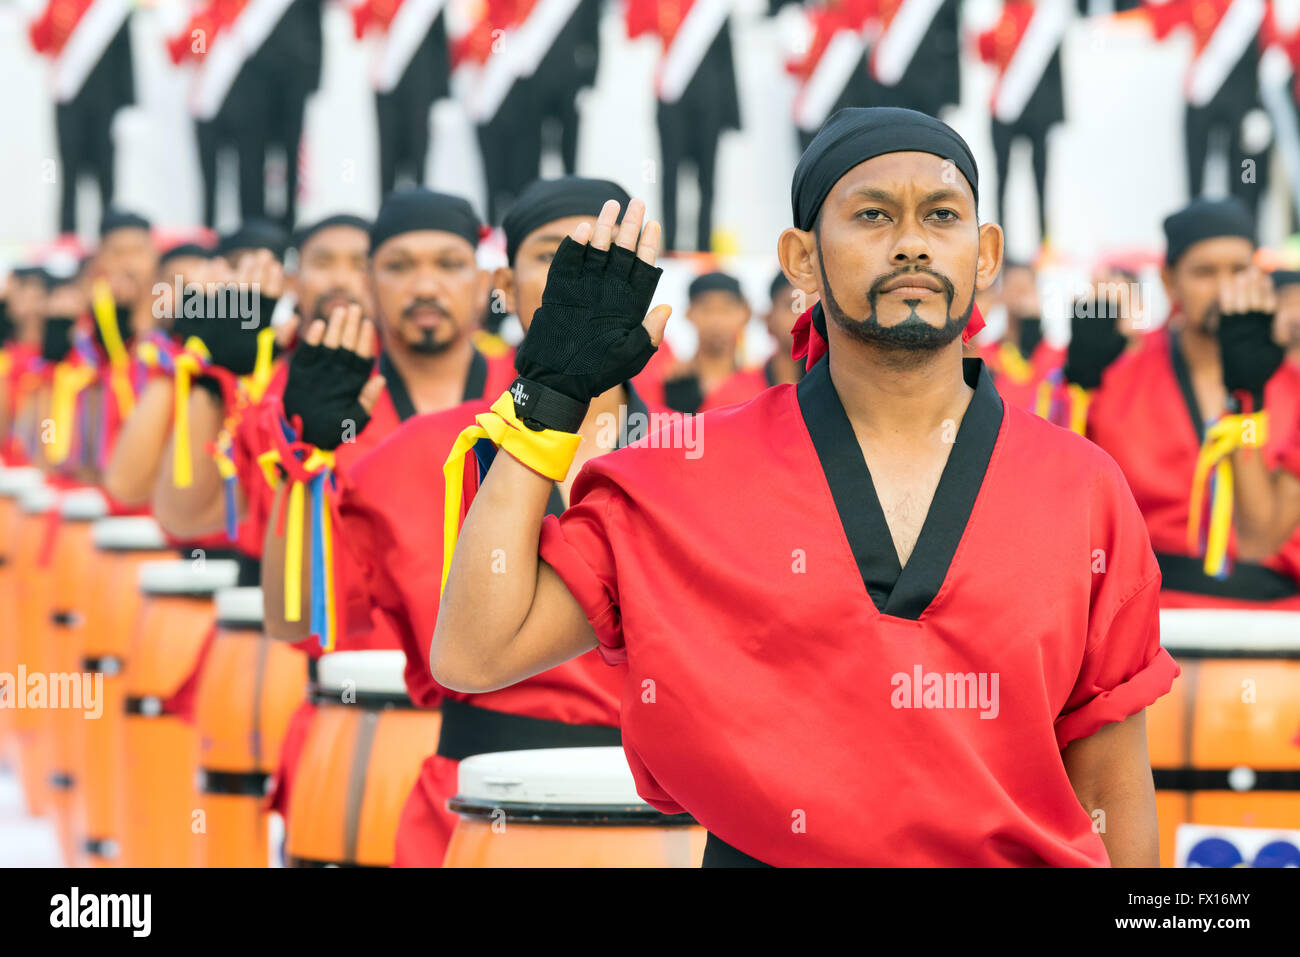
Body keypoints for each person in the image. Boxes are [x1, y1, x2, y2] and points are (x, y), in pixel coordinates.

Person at [432, 107, 1178, 867]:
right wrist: (551, 394)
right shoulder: (687, 470)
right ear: (802, 259)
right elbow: (474, 652)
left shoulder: (1082, 487)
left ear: (985, 253)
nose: (912, 241)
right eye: (873, 214)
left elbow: (1111, 785)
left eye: (942, 214)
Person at [262, 176, 646, 865]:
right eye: (554, 254)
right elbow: (296, 620)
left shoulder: (699, 451)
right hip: (469, 811)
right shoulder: (423, 450)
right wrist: (307, 462)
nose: (582, 276)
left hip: (663, 824)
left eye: (609, 255)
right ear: (504, 284)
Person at [1064, 197, 1300, 607]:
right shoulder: (1119, 374)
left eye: (1238, 270)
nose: (1224, 288)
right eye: (1204, 272)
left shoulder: (1291, 386)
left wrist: (1247, 398)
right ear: (1169, 280)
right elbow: (1061, 499)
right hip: (1146, 609)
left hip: (1273, 616)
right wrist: (1078, 387)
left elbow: (1260, 539)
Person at [644, 271, 769, 413]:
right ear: (689, 313)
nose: (716, 320)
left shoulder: (760, 384)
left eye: (726, 310)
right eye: (706, 309)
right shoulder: (668, 381)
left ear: (745, 314)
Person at [978, 260, 1064, 414]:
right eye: (1014, 288)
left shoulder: (1057, 355)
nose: (1020, 296)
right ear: (1002, 294)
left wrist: (1031, 324)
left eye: (1025, 289)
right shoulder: (985, 355)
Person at [763, 272, 807, 385]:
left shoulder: (841, 389)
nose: (804, 317)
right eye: (793, 306)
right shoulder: (738, 390)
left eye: (814, 306)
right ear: (769, 318)